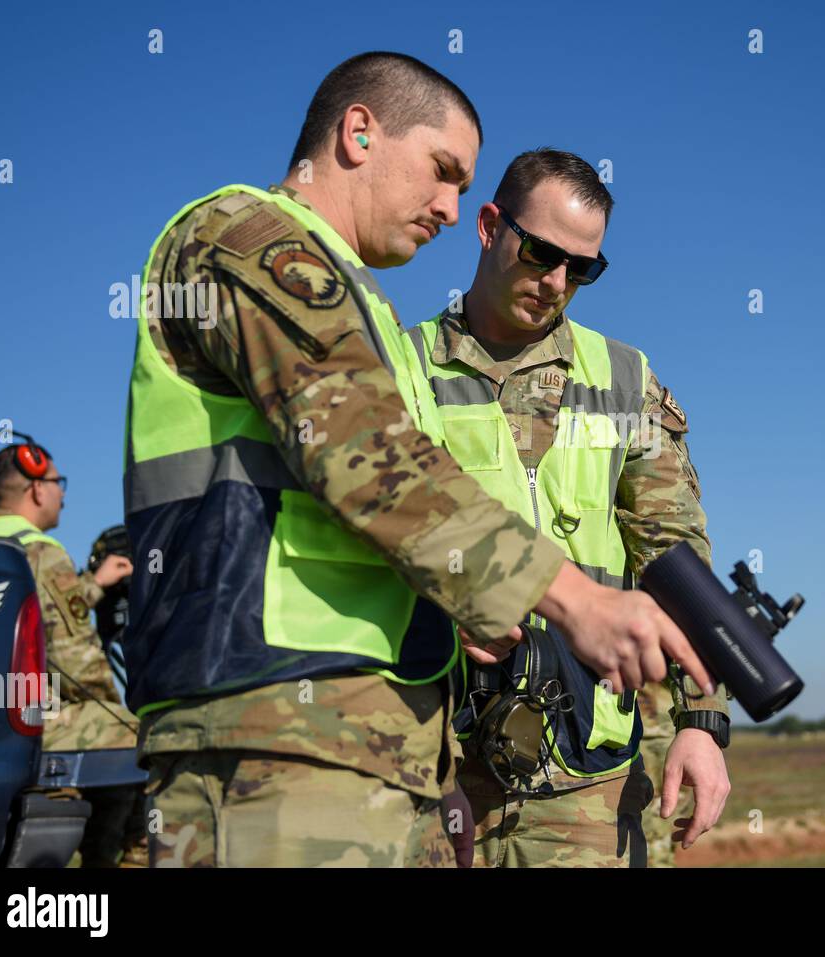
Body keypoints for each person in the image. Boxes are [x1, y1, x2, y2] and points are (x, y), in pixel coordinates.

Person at [122, 52, 711, 868]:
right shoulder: (247, 239)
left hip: (388, 752)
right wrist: (571, 598)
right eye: (443, 173)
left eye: (586, 268)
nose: (447, 205)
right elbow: (366, 454)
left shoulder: (366, 308)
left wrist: (453, 611)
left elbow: (357, 521)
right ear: (358, 132)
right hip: (273, 740)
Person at [406, 149, 731, 867]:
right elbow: (364, 536)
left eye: (581, 267)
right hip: (439, 772)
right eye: (540, 252)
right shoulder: (404, 370)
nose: (555, 282)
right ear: (489, 226)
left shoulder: (622, 378)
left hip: (595, 773)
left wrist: (703, 722)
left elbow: (674, 555)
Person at [0, 432, 145, 867]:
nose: (62, 494)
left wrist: (92, 587)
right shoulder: (41, 553)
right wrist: (113, 708)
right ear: (35, 488)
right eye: (57, 481)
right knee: (149, 738)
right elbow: (75, 662)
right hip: (36, 721)